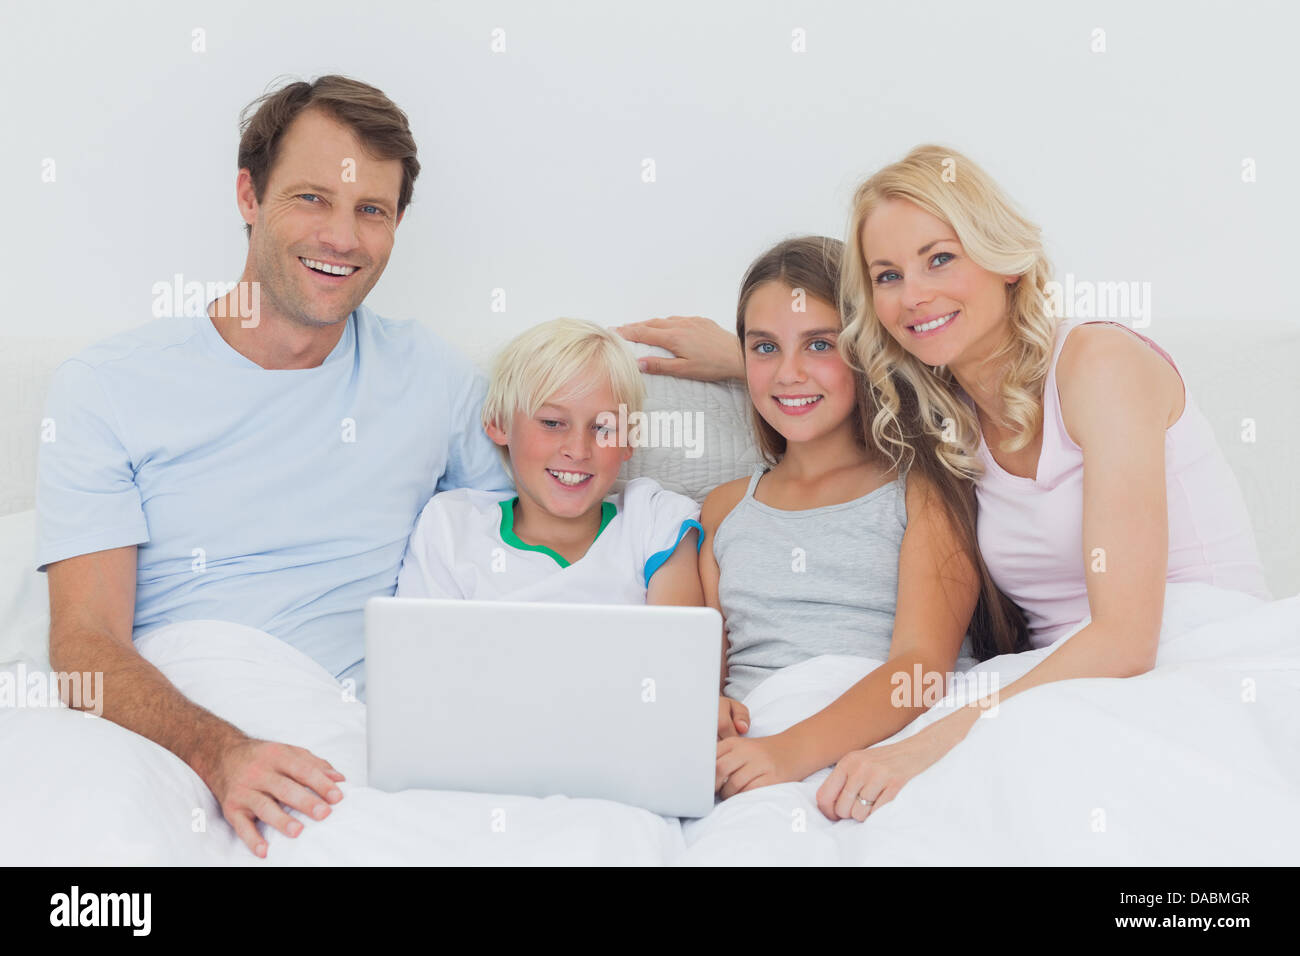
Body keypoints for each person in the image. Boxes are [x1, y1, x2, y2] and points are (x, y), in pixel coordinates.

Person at [620, 145, 1271, 822]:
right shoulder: (946, 415)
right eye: (888, 275)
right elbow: (837, 385)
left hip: (1182, 654)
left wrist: (927, 745)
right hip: (1047, 684)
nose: (915, 295)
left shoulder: (1100, 366)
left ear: (1004, 258)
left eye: (940, 258)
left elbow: (1127, 639)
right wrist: (746, 358)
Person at [36, 75, 512, 859]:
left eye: (372, 211)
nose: (342, 238)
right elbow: (84, 644)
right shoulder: (107, 388)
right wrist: (221, 750)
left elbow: (549, 543)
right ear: (248, 196)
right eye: (311, 198)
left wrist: (751, 365)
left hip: (341, 738)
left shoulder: (435, 381)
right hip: (169, 724)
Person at [697, 236, 1023, 803]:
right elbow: (705, 667)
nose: (788, 373)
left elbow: (921, 667)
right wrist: (709, 708)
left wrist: (790, 753)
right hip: (757, 751)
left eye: (819, 344)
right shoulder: (725, 510)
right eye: (764, 347)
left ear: (864, 348)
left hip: (881, 745)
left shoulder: (923, 485)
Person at [395, 318, 704, 608]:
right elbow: (421, 655)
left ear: (628, 440)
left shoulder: (653, 521)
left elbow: (680, 657)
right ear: (499, 424)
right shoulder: (451, 528)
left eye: (603, 428)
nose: (578, 450)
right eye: (553, 423)